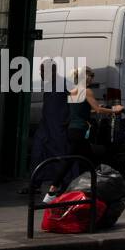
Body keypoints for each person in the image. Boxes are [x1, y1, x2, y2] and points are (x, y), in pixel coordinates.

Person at [65, 68, 123, 186]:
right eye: (91, 75)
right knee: (88, 161)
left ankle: (82, 187)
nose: (93, 78)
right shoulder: (87, 91)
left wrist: (93, 108)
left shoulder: (73, 91)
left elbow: (80, 110)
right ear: (85, 77)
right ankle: (54, 190)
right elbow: (98, 109)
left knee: (80, 161)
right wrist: (114, 109)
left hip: (72, 130)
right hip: (80, 130)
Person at [30, 61, 71, 203]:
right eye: (40, 71)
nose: (41, 74)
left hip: (58, 127)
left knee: (59, 156)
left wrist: (67, 121)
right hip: (46, 126)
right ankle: (35, 183)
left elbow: (75, 101)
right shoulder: (49, 84)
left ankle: (64, 185)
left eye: (43, 71)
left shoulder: (64, 83)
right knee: (38, 152)